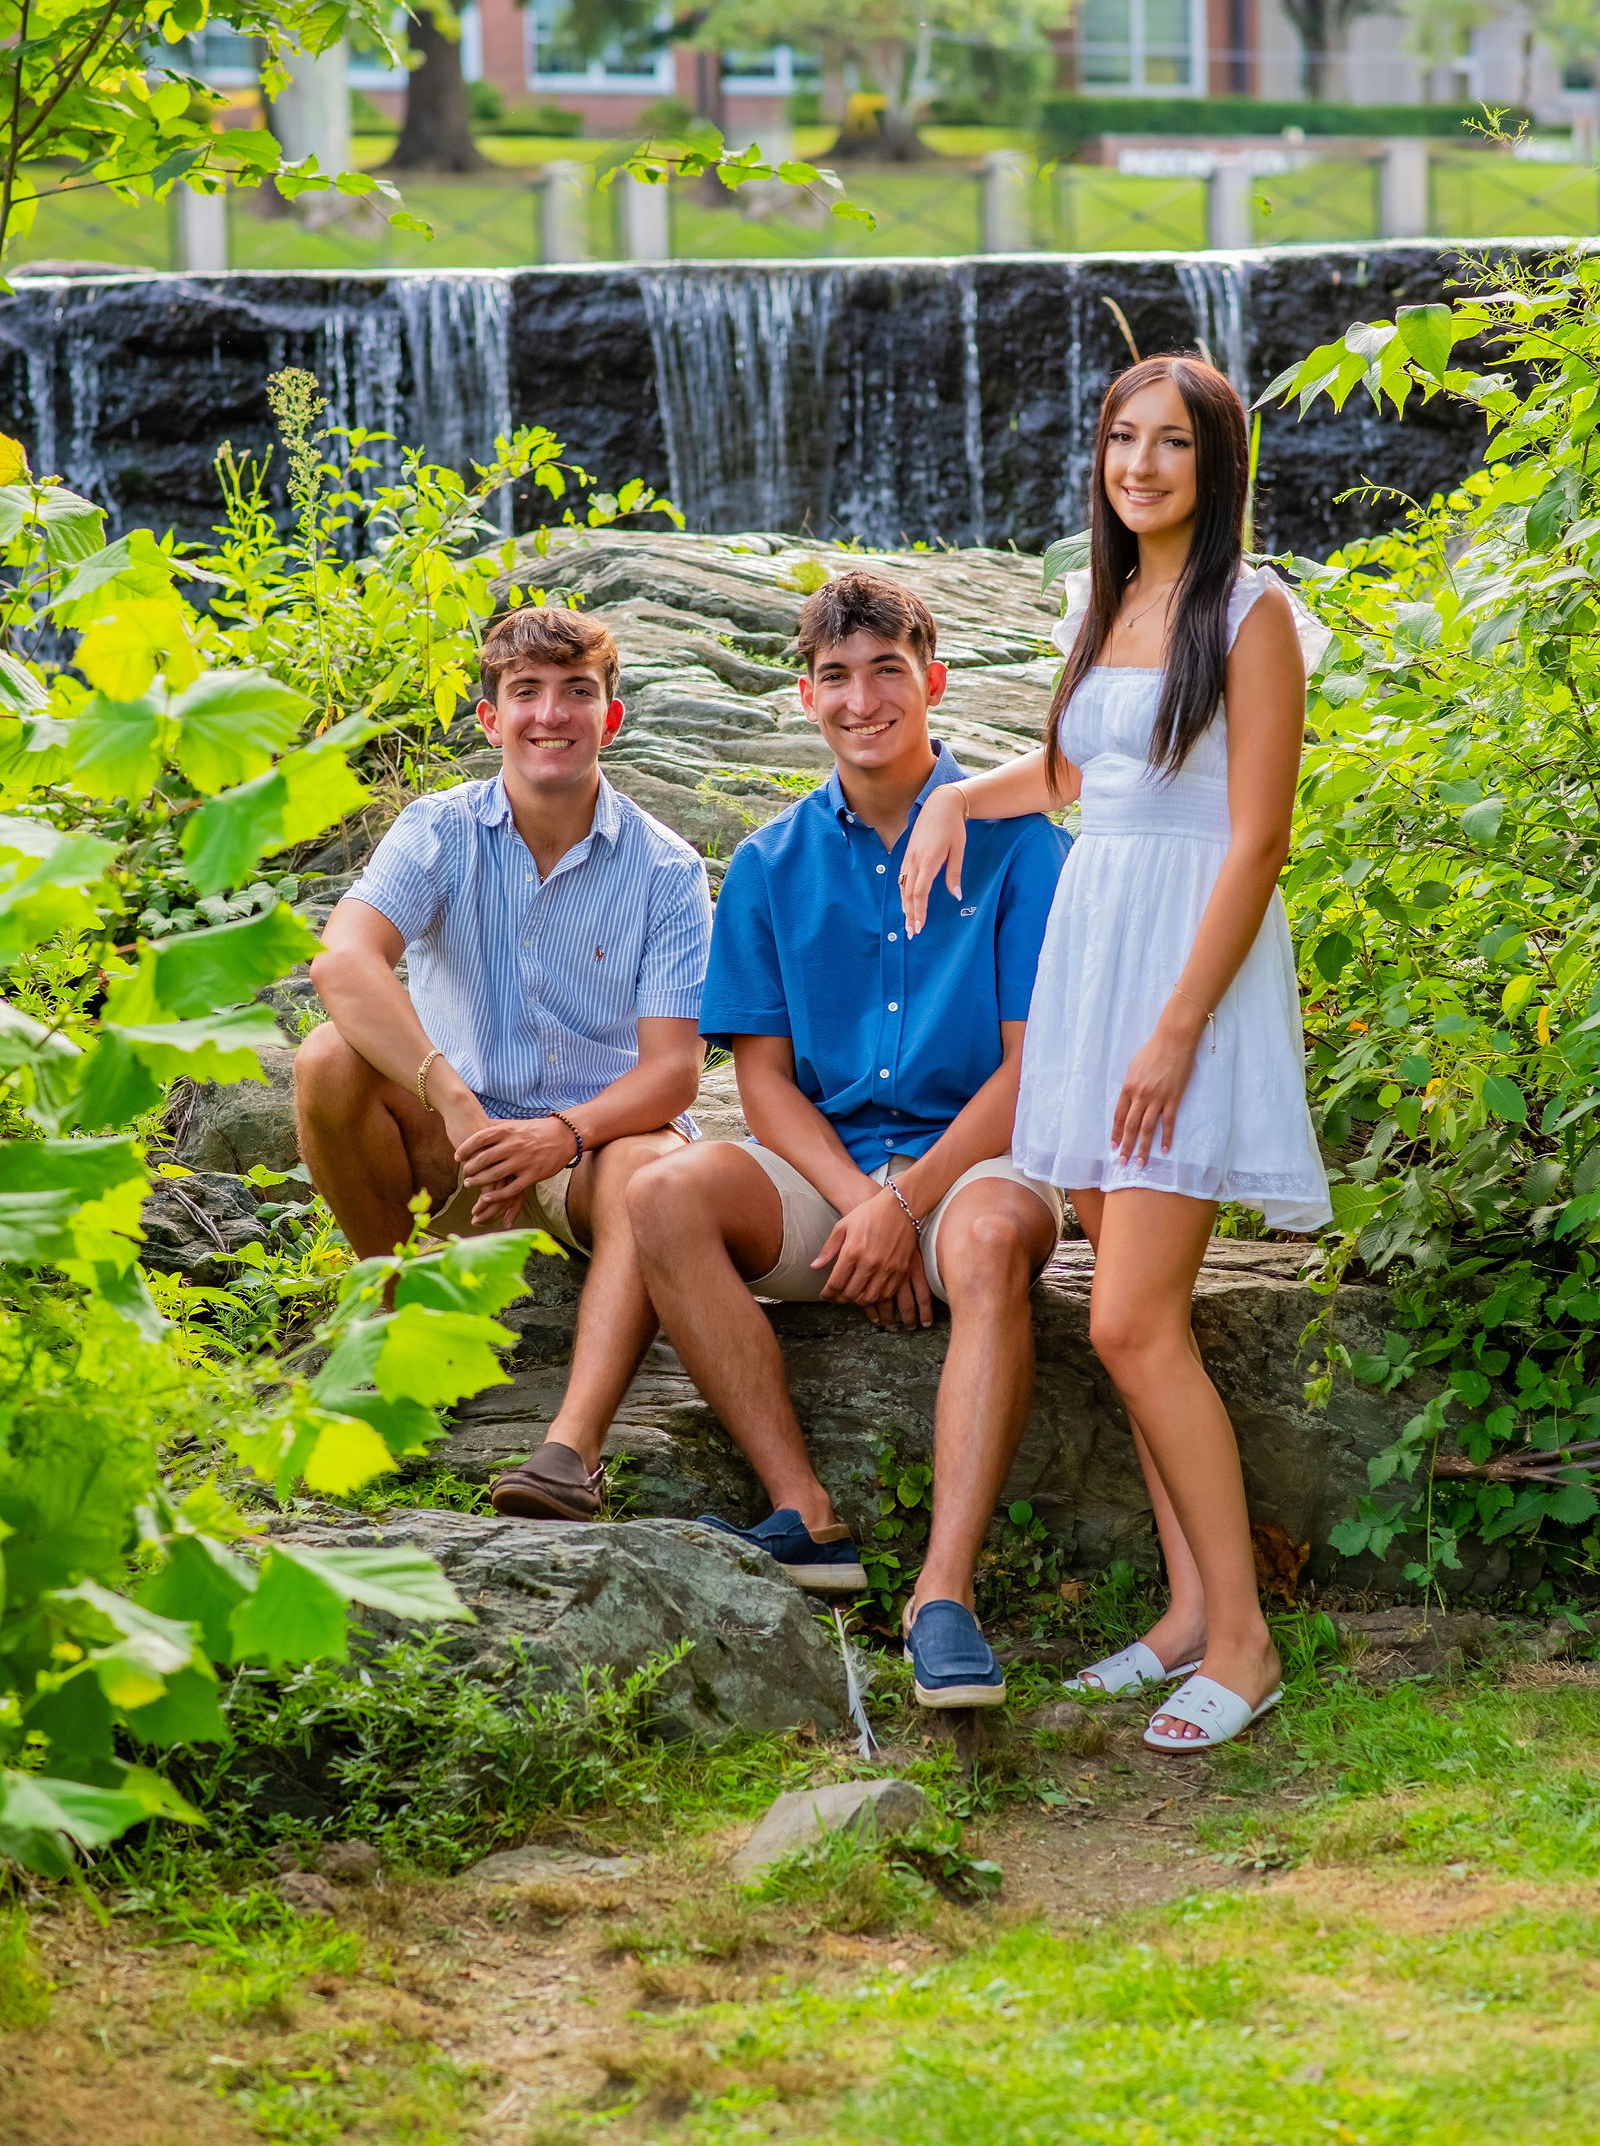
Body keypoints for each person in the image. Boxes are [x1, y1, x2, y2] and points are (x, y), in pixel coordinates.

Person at [900, 357, 1332, 1756]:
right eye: (1120, 437)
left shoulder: (1249, 610)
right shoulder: (1106, 598)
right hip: (1097, 956)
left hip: (1182, 974)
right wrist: (960, 792)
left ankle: (1247, 1643)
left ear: (1217, 466)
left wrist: (1175, 1026)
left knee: (1128, 1320)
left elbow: (1257, 836)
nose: (1139, 463)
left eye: (1171, 444)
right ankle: (1188, 1614)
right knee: (1141, 1306)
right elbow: (1086, 782)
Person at [625, 570, 1069, 1711]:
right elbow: (761, 1082)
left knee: (987, 1248)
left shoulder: (1024, 847)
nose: (862, 698)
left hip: (977, 1164)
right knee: (664, 1196)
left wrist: (909, 1202)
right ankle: (807, 1516)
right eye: (835, 676)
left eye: (886, 671)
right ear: (803, 695)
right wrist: (860, 1204)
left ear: (934, 680)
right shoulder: (770, 864)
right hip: (826, 1175)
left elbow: (1030, 1074)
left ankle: (943, 1594)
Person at [296, 604, 712, 1521]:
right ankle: (408, 1323)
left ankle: (570, 1451)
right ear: (491, 718)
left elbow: (675, 1073)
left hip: (599, 1150)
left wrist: (561, 1136)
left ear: (612, 716)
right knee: (329, 1058)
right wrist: (453, 1099)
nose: (550, 714)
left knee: (655, 1170)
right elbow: (344, 960)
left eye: (577, 692)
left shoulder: (667, 869)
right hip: (467, 1141)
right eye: (525, 693)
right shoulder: (439, 828)